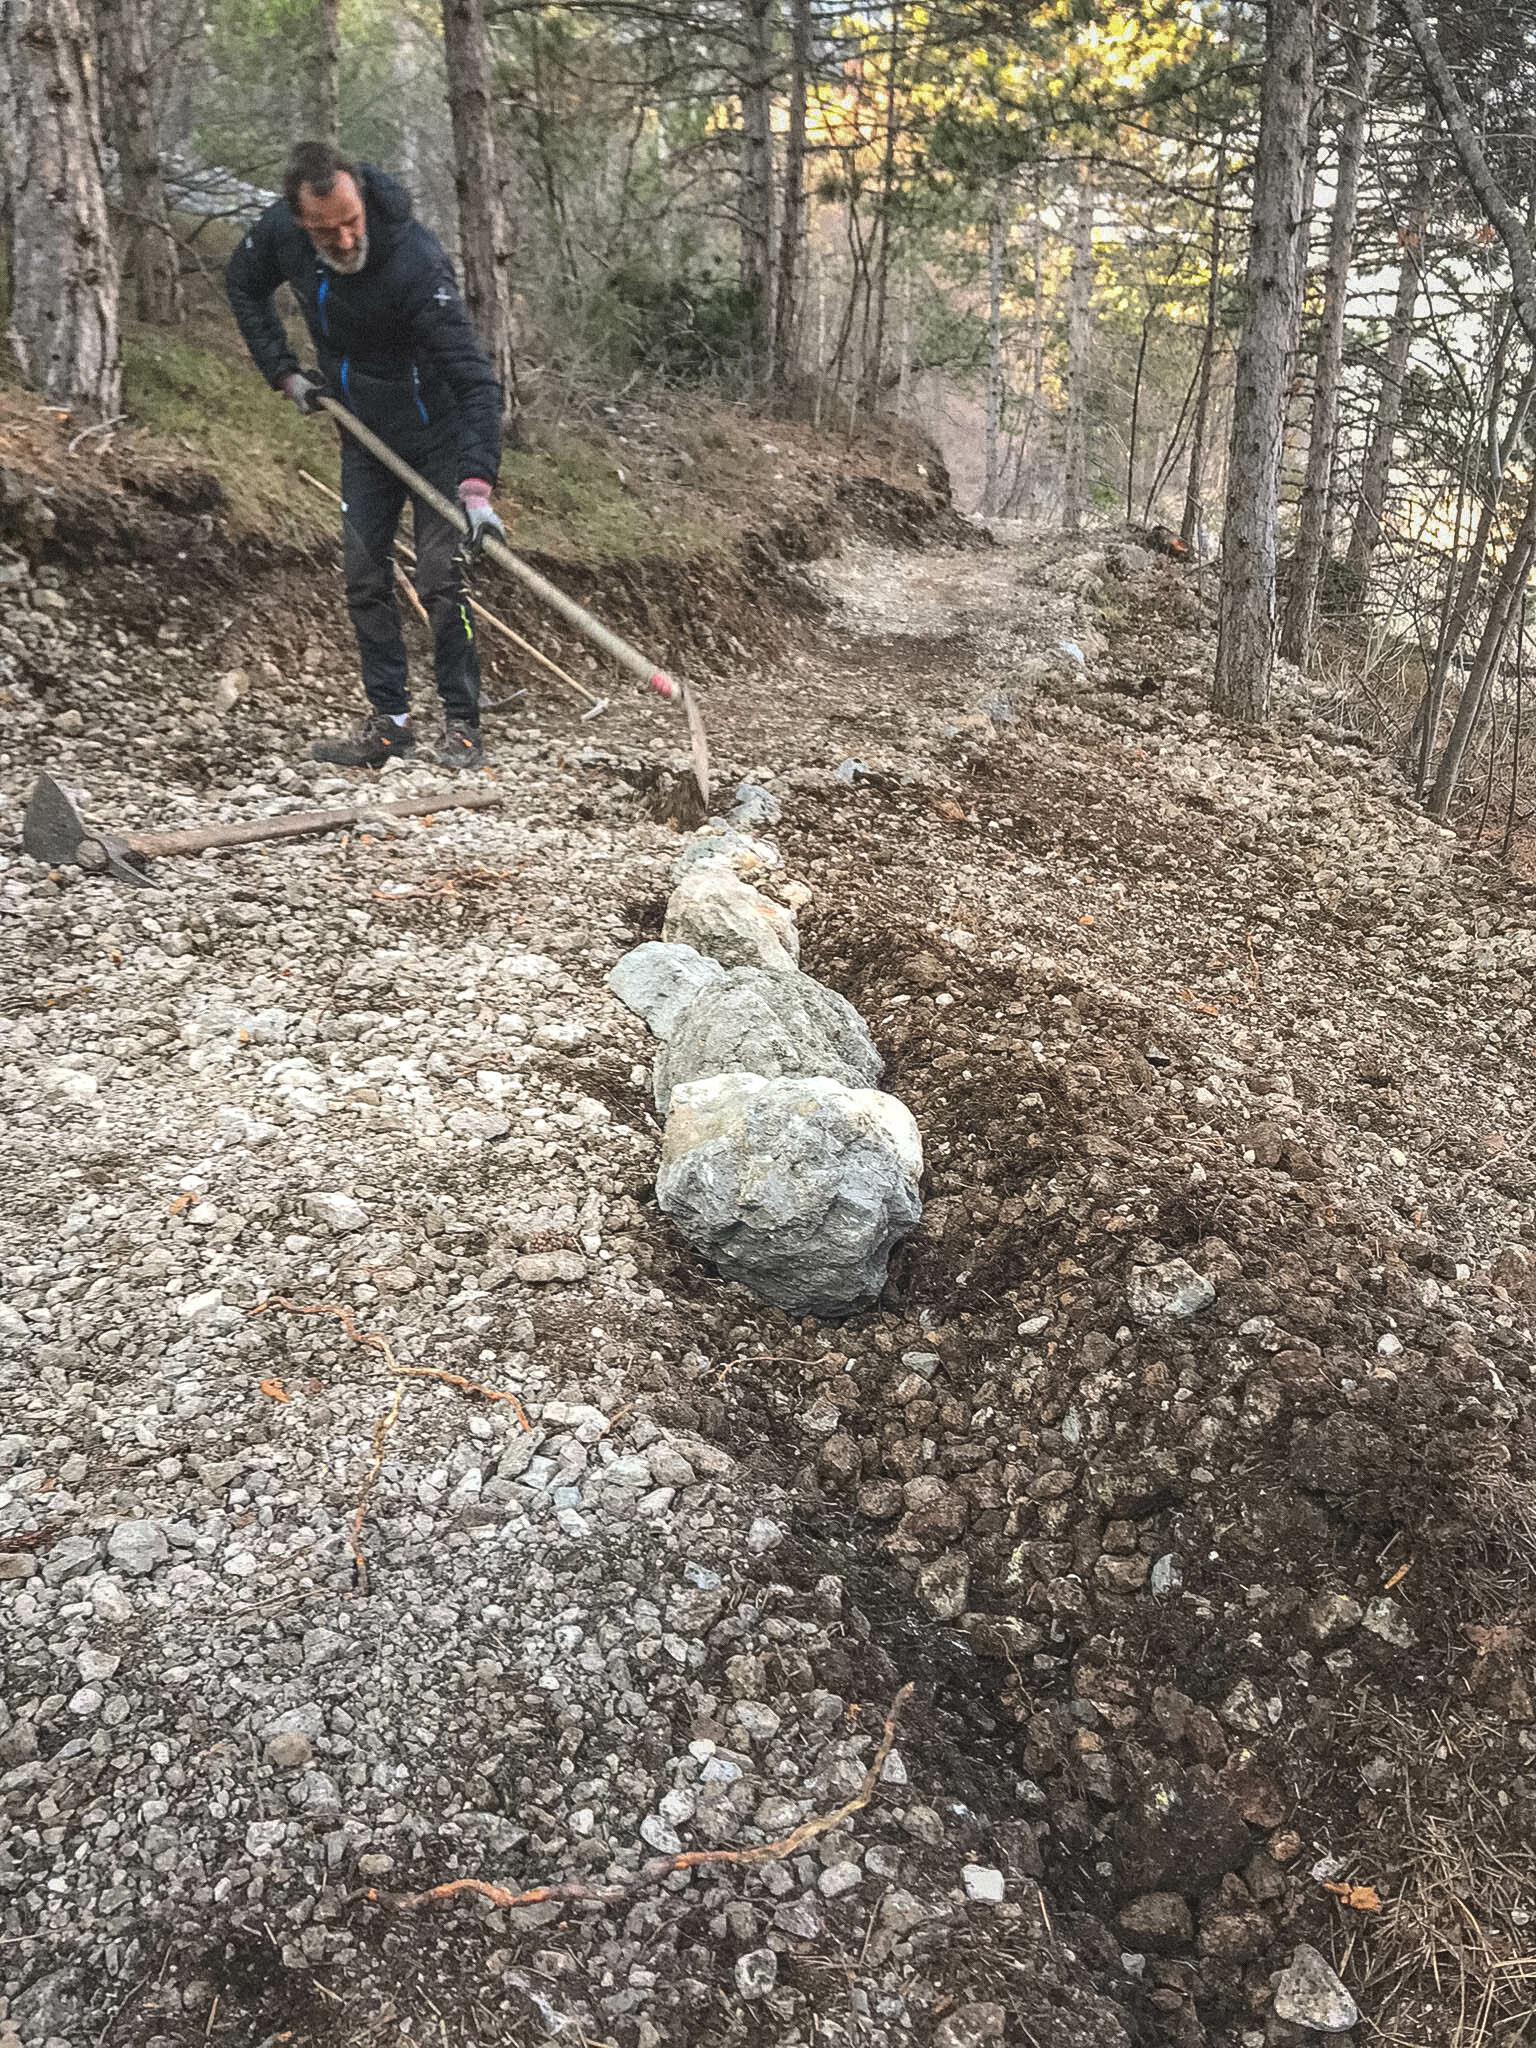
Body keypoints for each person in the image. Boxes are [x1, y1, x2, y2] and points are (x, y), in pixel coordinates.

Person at [226, 141, 506, 770]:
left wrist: (476, 485)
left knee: (441, 579)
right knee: (364, 578)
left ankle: (463, 726)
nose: (346, 240)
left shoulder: (415, 262)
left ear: (362, 200)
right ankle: (390, 724)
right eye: (326, 231)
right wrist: (283, 372)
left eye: (352, 222)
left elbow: (477, 384)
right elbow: (242, 284)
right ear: (301, 220)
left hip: (437, 436)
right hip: (364, 433)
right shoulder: (282, 234)